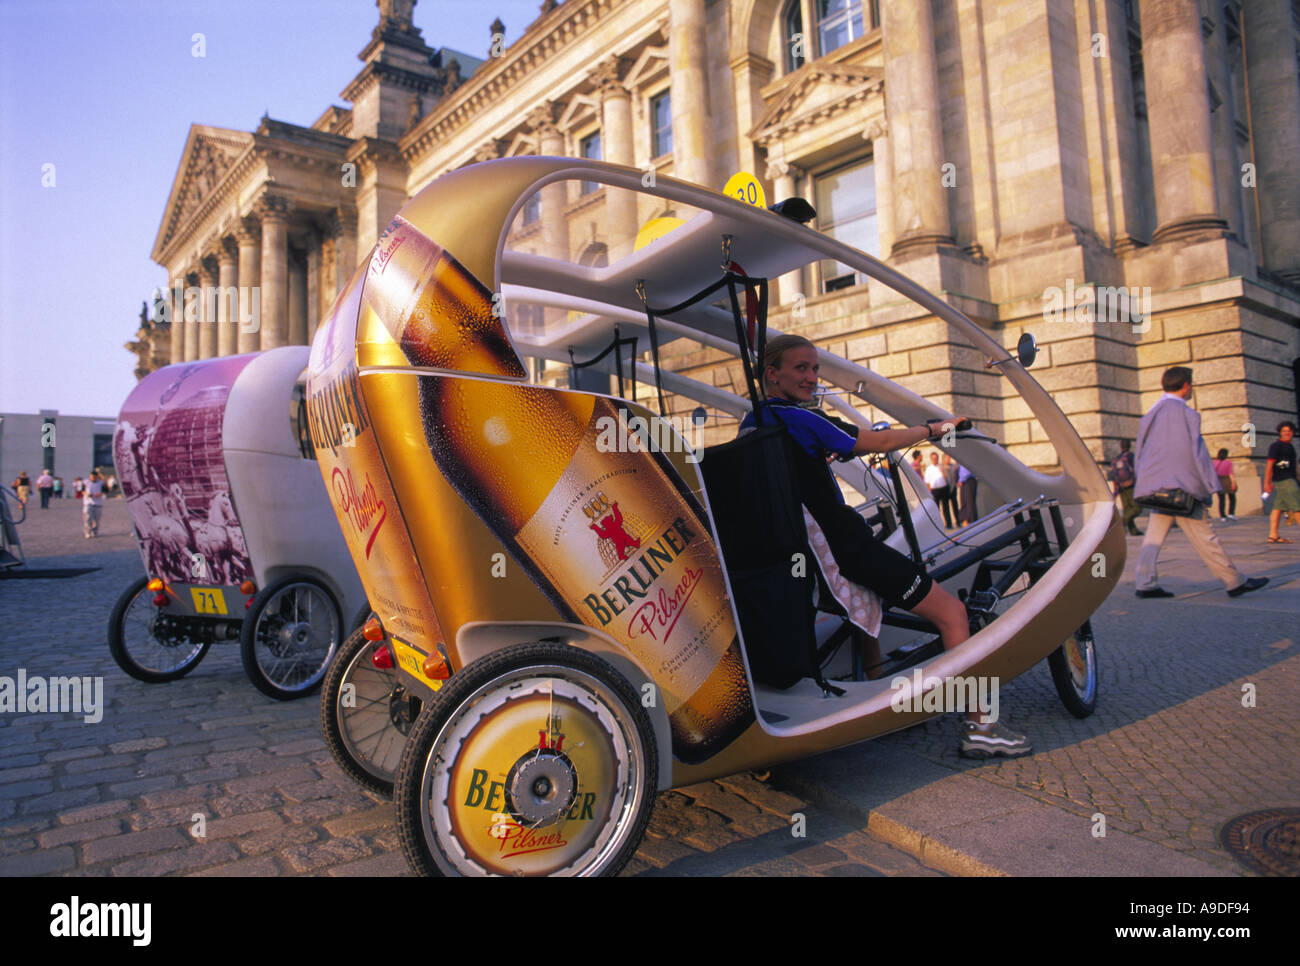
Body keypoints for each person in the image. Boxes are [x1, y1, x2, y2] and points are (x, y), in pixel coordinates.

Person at [740, 334, 1031, 758]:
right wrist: (936, 428)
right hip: (848, 550)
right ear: (772, 373)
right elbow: (874, 442)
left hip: (806, 558)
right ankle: (982, 726)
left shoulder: (754, 422)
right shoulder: (800, 417)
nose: (811, 377)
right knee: (953, 614)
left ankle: (877, 705)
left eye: (816, 369)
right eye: (801, 368)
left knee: (866, 613)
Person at [1133, 367, 1267, 599]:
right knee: (1205, 535)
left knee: (1154, 536)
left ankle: (1145, 582)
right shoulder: (1185, 414)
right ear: (1186, 385)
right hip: (1181, 486)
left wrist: (1144, 482)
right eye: (1191, 384)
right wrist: (1208, 485)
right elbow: (1196, 453)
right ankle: (1233, 581)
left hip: (1157, 487)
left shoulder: (1152, 413)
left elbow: (1141, 453)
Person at [1263, 421, 1299, 543]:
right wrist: (1266, 482)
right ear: (1280, 433)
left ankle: (1273, 535)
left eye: (1289, 431)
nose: (1287, 433)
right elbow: (1269, 465)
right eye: (1284, 431)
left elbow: (1295, 466)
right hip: (1285, 481)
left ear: (1293, 432)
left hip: (1287, 480)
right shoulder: (1276, 446)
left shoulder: (1290, 447)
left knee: (1278, 508)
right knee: (1297, 507)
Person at [1108, 439, 1141, 536]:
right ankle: (1121, 523)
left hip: (1121, 486)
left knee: (1127, 509)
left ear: (1121, 446)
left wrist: (1116, 488)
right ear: (1129, 445)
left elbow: (1114, 474)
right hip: (1131, 486)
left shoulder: (1117, 458)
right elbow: (1138, 470)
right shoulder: (1131, 456)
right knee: (1137, 508)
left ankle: (1133, 531)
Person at [924, 452, 954, 528]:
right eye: (933, 458)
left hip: (944, 488)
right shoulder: (929, 469)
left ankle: (949, 524)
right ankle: (939, 525)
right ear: (931, 459)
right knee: (937, 509)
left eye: (936, 458)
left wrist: (943, 471)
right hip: (935, 490)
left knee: (946, 507)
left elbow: (946, 477)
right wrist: (929, 491)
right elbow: (927, 482)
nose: (935, 460)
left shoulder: (942, 466)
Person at [1212, 448, 1236, 520]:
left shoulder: (1214, 462)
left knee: (1221, 500)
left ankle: (1222, 516)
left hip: (1218, 481)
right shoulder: (1229, 463)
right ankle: (1231, 513)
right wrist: (1233, 483)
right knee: (1232, 498)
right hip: (1227, 480)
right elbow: (1230, 473)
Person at [82, 470, 106, 538]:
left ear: (97, 477)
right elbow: (82, 491)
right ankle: (87, 532)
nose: (93, 478)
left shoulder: (101, 483)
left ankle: (94, 532)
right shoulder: (85, 482)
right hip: (88, 502)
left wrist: (99, 494)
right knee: (88, 518)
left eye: (94, 477)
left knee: (96, 519)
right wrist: (87, 494)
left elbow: (105, 491)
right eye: (92, 477)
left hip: (98, 503)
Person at [956, 462, 978, 526]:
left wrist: (961, 480)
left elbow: (965, 471)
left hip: (967, 481)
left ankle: (971, 521)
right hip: (966, 481)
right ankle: (968, 520)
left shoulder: (964, 459)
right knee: (966, 501)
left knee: (968, 502)